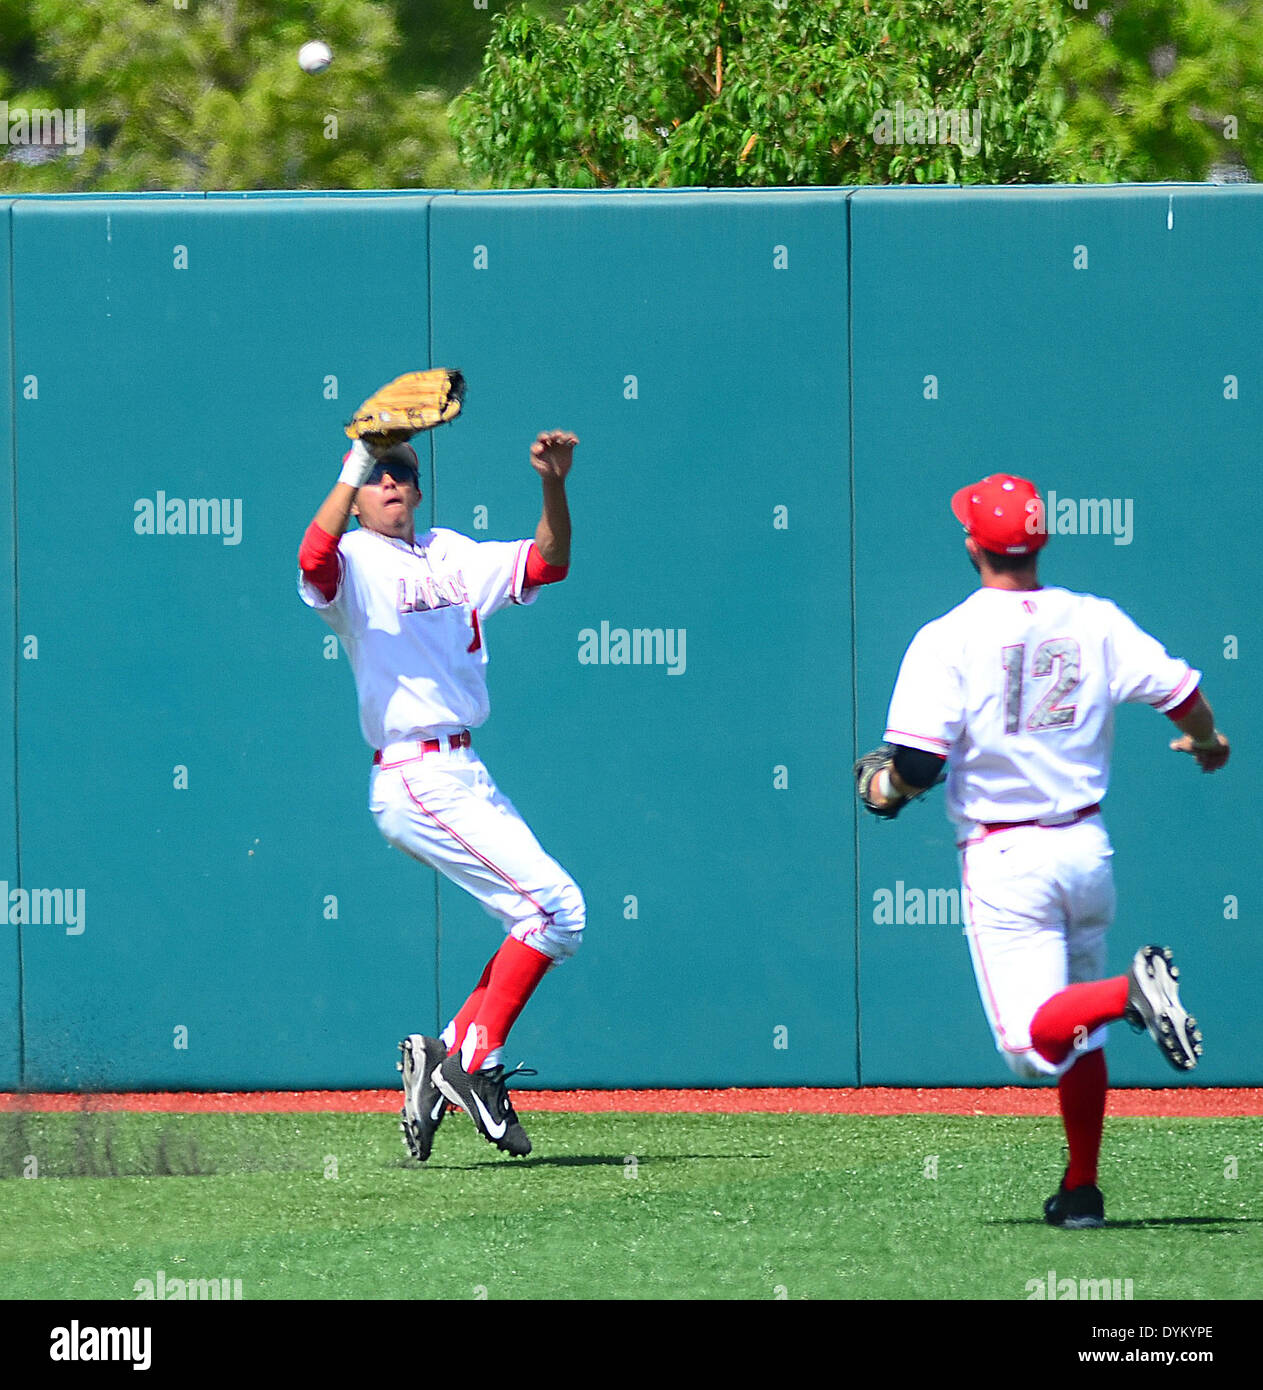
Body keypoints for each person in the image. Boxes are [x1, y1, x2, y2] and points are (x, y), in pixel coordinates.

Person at [859, 473, 1229, 1228]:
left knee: (1032, 1045)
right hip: (1086, 850)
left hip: (1008, 859)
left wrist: (883, 791)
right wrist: (1206, 742)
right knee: (1076, 1025)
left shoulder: (947, 635)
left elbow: (920, 766)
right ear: (1040, 540)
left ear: (972, 543)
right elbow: (1178, 692)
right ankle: (1081, 1189)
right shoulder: (1091, 618)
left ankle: (1131, 994)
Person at [297, 428, 585, 1160]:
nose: (390, 483)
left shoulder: (453, 553)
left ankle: (447, 1053)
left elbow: (549, 561)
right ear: (357, 496)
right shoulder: (355, 560)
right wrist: (353, 463)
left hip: (464, 769)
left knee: (535, 915)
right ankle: (475, 1062)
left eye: (400, 473)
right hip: (412, 771)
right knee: (558, 908)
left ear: (418, 490)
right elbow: (312, 560)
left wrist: (552, 482)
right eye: (376, 476)